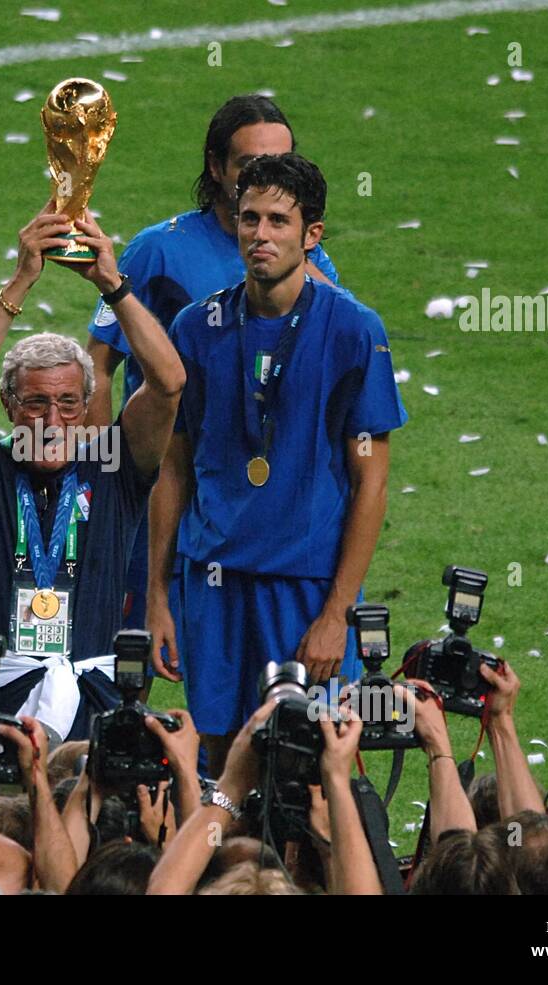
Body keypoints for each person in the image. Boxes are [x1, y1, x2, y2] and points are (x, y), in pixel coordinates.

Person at [148, 153, 407, 772]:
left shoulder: (353, 331)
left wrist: (337, 615)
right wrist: (159, 596)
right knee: (217, 753)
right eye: (249, 218)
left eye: (278, 222)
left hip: (305, 586)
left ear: (311, 236)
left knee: (318, 760)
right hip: (212, 580)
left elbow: (371, 482)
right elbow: (173, 469)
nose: (259, 235)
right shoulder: (196, 327)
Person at [0, 201, 184, 792]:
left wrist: (112, 285)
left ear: (88, 409)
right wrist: (22, 279)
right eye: (35, 403)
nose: (52, 418)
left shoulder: (113, 466)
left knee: (95, 839)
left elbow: (168, 382)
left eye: (69, 404)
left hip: (89, 694)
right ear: (10, 408)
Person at [84, 94, 340, 637]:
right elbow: (99, 364)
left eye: (282, 161)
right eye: (250, 164)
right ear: (217, 167)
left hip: (258, 502)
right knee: (128, 652)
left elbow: (334, 362)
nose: (268, 174)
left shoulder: (309, 260)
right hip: (163, 486)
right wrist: (100, 478)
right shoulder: (157, 252)